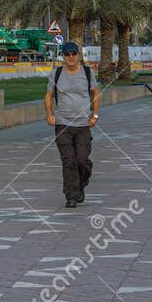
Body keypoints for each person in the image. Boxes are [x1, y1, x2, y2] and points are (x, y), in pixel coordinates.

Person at [44, 41, 101, 206]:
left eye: (73, 54)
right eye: (67, 54)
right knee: (69, 160)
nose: (70, 57)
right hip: (63, 124)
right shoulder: (57, 73)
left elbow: (95, 93)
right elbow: (48, 95)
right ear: (63, 56)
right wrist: (49, 114)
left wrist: (95, 115)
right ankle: (71, 196)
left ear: (78, 55)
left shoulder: (87, 72)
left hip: (83, 125)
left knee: (82, 160)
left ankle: (81, 184)